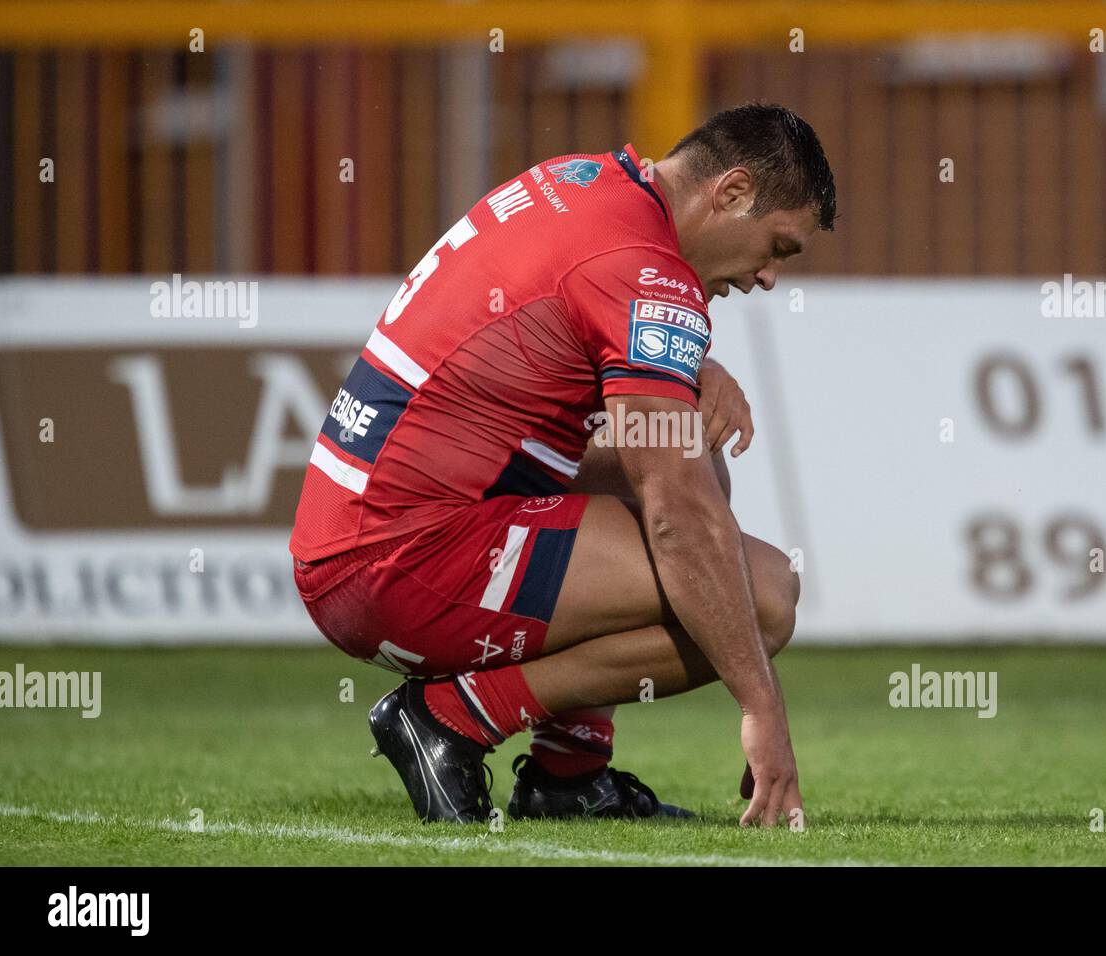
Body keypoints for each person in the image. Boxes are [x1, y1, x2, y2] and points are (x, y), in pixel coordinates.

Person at [290, 102, 836, 827]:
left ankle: (568, 775)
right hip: (396, 560)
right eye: (777, 246)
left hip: (361, 528)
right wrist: (763, 710)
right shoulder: (643, 269)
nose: (768, 276)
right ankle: (452, 717)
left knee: (691, 456)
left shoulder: (583, 181)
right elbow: (678, 516)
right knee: (761, 595)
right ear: (732, 191)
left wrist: (694, 365)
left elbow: (575, 293)